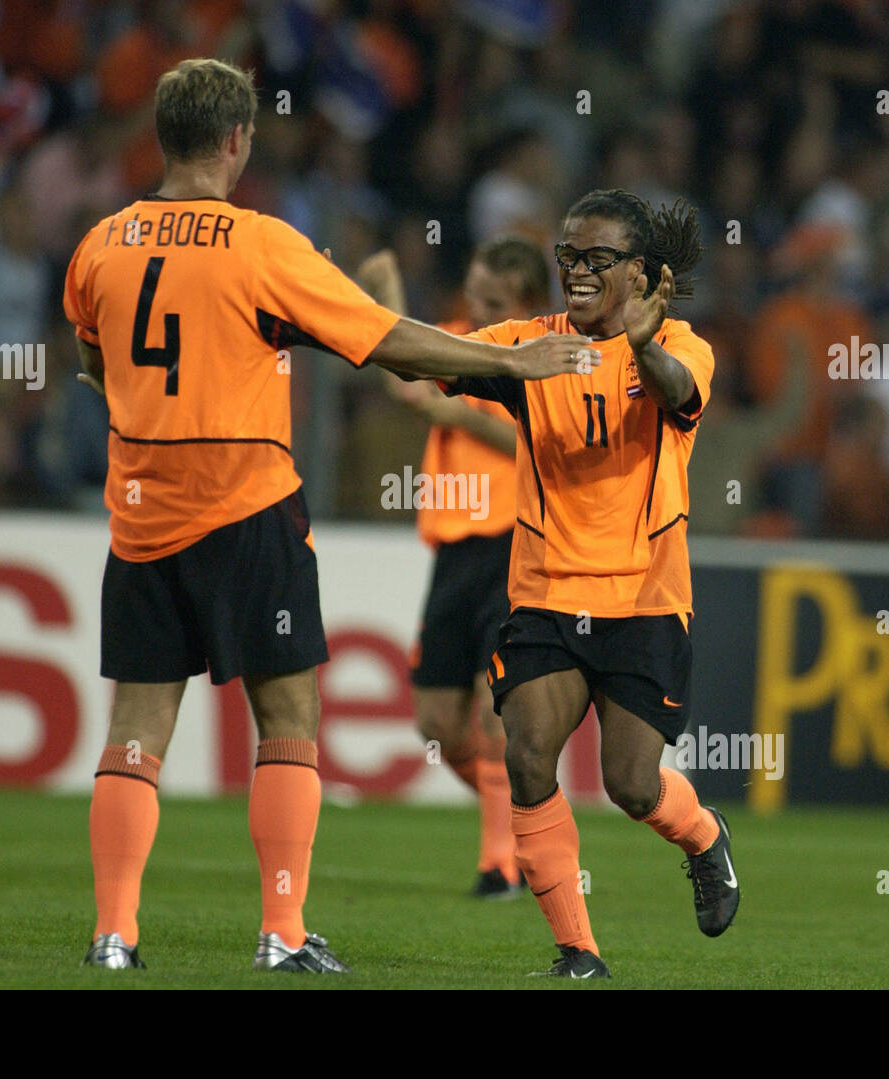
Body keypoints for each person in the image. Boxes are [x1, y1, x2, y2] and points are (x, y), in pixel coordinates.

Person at [62, 58, 594, 975]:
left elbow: (94, 367)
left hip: (141, 517)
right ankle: (283, 931)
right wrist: (508, 363)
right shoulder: (263, 245)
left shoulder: (99, 246)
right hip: (247, 508)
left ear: (164, 137)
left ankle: (114, 934)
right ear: (236, 140)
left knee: (137, 727)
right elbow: (386, 339)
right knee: (289, 716)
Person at [436, 189, 739, 977]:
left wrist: (642, 347)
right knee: (530, 754)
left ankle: (703, 835)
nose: (575, 271)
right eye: (567, 256)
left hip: (644, 596)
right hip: (543, 592)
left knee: (631, 785)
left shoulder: (681, 343)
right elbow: (434, 356)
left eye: (595, 260)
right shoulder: (532, 345)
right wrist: (352, 328)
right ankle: (579, 951)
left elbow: (678, 390)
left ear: (639, 273)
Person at [360, 237, 551, 897]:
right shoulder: (458, 342)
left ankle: (500, 862)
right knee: (437, 722)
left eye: (494, 301)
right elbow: (400, 373)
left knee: (497, 714)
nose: (478, 308)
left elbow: (539, 447)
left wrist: (458, 414)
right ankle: (527, 824)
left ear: (527, 306)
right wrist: (386, 285)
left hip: (511, 543)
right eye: (474, 294)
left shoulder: (536, 358)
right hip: (453, 548)